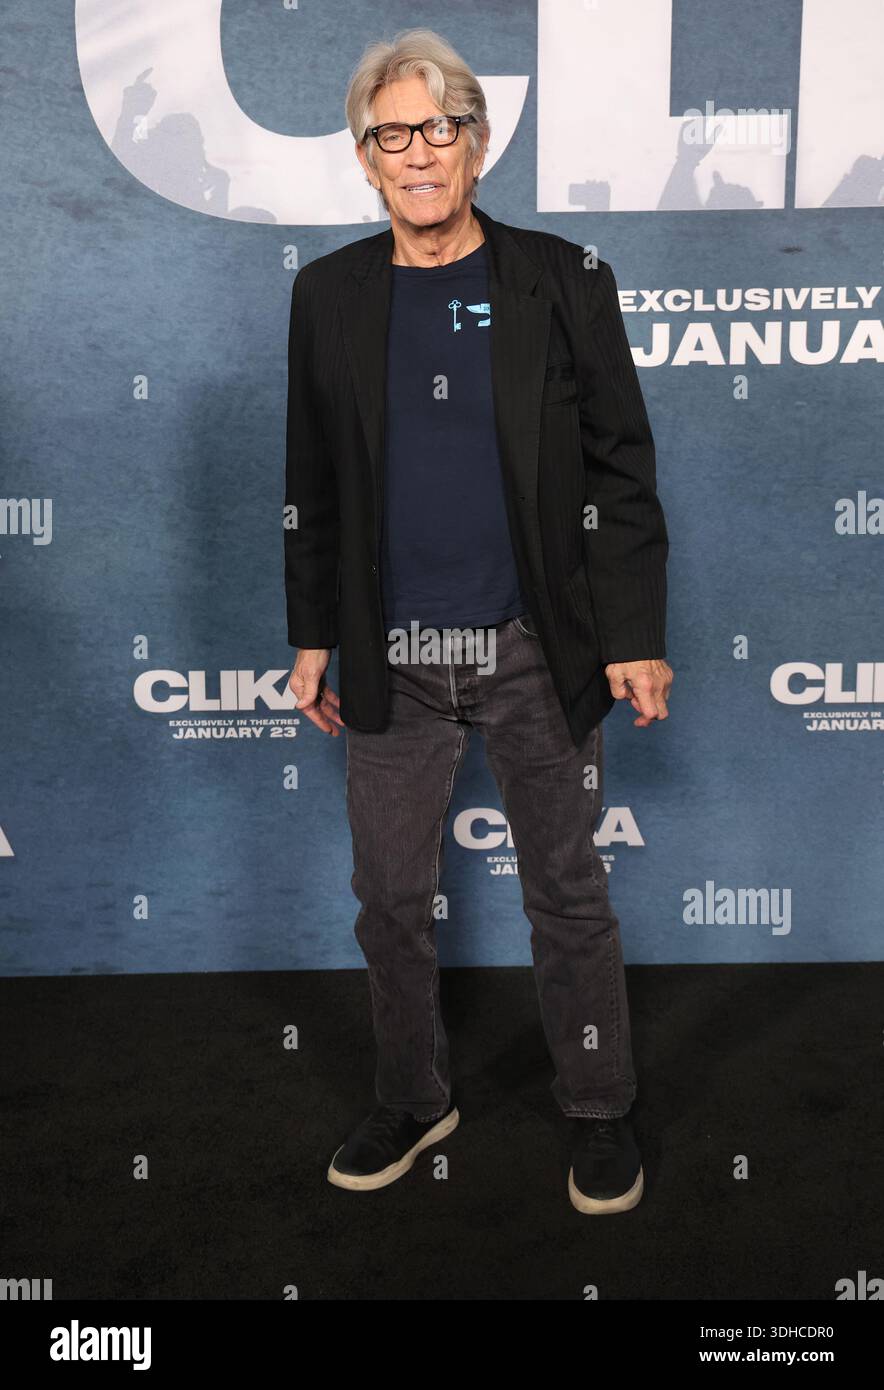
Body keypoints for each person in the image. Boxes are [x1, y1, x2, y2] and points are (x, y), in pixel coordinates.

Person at [284, 28, 673, 1214]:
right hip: (393, 654)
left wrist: (632, 630)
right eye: (391, 133)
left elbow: (620, 466)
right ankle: (412, 1095)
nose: (417, 152)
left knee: (565, 888)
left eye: (439, 128)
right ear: (363, 159)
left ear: (477, 143)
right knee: (388, 898)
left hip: (531, 645)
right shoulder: (329, 294)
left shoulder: (561, 280)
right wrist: (311, 634)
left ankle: (598, 1111)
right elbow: (313, 475)